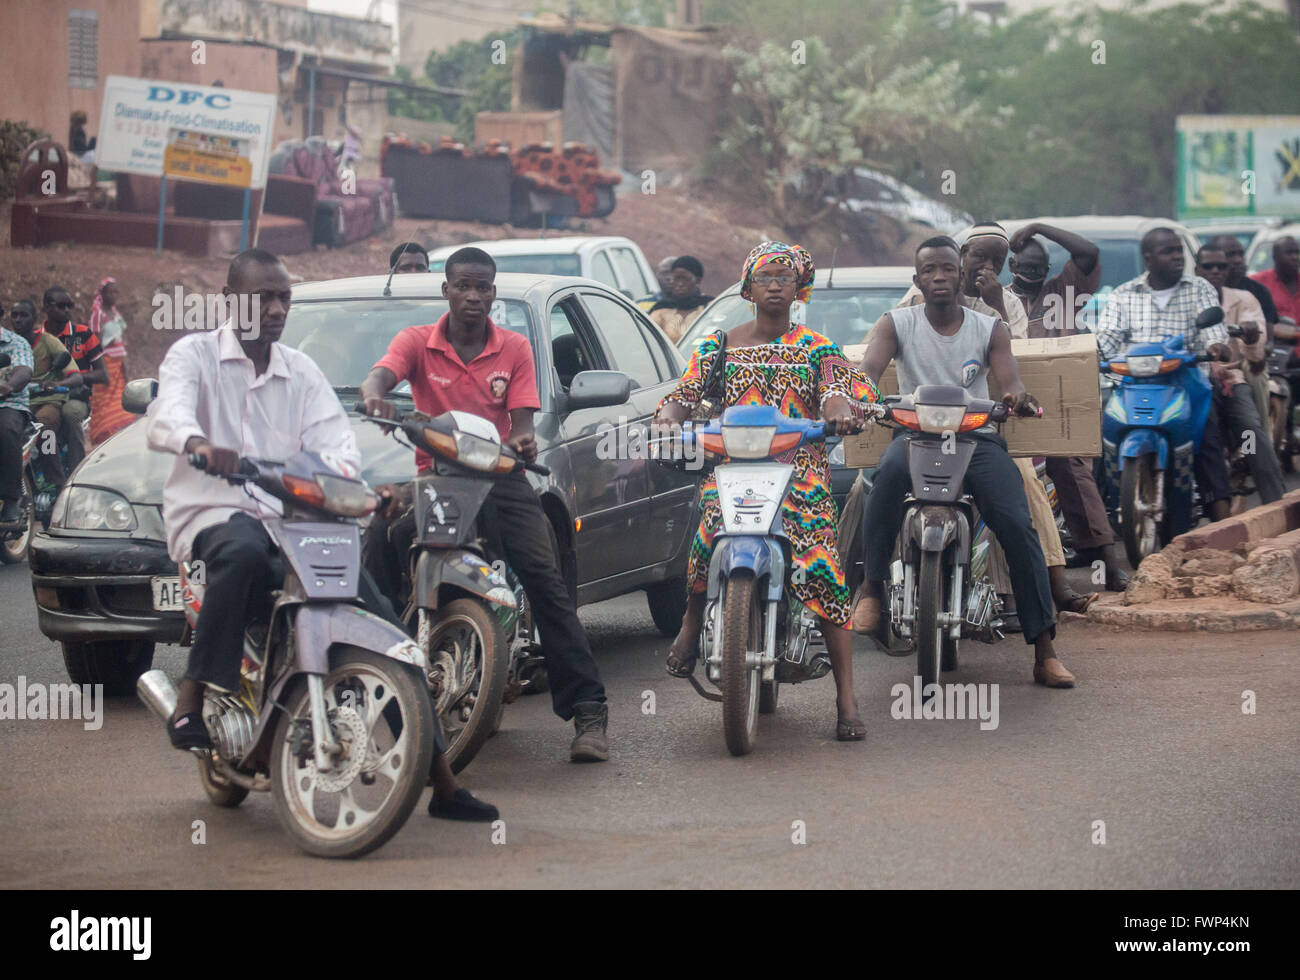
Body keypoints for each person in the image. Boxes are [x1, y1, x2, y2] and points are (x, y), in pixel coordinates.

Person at [145, 248, 495, 822]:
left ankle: (444, 782)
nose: (279, 308)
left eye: (284, 296)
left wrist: (360, 489)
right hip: (215, 510)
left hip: (297, 521)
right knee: (240, 551)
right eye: (265, 297)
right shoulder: (195, 355)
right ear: (233, 301)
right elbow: (170, 413)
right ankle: (193, 695)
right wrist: (198, 444)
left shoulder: (301, 372)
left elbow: (336, 448)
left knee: (386, 626)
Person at [359, 246, 611, 763]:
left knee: (546, 581)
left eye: (482, 287)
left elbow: (521, 424)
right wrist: (375, 395)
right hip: (440, 479)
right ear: (446, 289)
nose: (473, 296)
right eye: (463, 286)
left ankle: (589, 713)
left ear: (492, 294)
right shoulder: (415, 342)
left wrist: (522, 443)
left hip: (501, 479)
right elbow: (379, 377)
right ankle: (373, 677)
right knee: (383, 544)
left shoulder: (514, 347)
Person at [654, 241, 877, 740]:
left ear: (801, 288)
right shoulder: (719, 345)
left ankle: (846, 698)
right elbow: (682, 395)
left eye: (785, 276)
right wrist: (670, 419)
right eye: (765, 276)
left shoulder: (818, 346)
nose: (775, 283)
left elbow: (844, 388)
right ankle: (690, 625)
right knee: (707, 527)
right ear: (746, 287)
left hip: (801, 470)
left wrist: (840, 408)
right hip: (733, 465)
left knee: (822, 562)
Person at [853, 236, 1076, 688]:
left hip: (976, 437)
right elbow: (869, 371)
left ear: (960, 276)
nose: (939, 277)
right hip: (914, 433)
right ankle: (872, 588)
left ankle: (1044, 649)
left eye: (947, 270)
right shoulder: (896, 322)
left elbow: (1008, 376)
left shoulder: (988, 325)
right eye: (930, 270)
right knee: (883, 482)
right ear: (917, 280)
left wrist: (1014, 397)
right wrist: (860, 398)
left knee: (1017, 522)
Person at [895, 224, 1095, 615]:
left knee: (1025, 485)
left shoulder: (1004, 305)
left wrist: (995, 304)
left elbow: (1017, 365)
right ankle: (865, 588)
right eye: (978, 257)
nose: (986, 266)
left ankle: (1052, 584)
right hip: (923, 425)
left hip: (982, 425)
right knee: (869, 487)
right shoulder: (916, 301)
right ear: (961, 257)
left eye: (997, 262)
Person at [1009, 222, 1128, 591]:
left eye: (1039, 269)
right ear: (1011, 264)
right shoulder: (996, 298)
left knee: (1073, 467)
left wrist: (1040, 228)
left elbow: (1088, 253)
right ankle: (1025, 575)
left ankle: (1107, 563)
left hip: (1058, 402)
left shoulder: (1062, 293)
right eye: (1025, 267)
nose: (1032, 275)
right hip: (1011, 403)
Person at [1096, 227, 1234, 522]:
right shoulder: (1124, 295)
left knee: (1207, 442)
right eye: (1167, 251)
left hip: (1185, 384)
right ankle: (1097, 520)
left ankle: (1222, 522)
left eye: (1177, 250)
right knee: (1102, 437)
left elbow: (1213, 331)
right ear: (1147, 258)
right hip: (1134, 385)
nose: (1176, 257)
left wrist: (1218, 346)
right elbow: (1105, 341)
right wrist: (1086, 353)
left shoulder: (1198, 288)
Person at [1194, 245, 1285, 504]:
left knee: (1250, 431)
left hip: (1229, 380)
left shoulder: (1243, 299)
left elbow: (1255, 356)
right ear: (1196, 269)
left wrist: (1251, 335)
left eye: (1221, 266)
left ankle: (1274, 501)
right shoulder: (1183, 298)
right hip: (1191, 380)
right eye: (1208, 266)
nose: (1215, 272)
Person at [10, 299, 82, 488]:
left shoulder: (47, 341)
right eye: (14, 315)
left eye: (23, 315)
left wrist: (56, 383)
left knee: (44, 426)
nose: (18, 320)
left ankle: (56, 483)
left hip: (48, 401)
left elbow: (76, 376)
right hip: (17, 402)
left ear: (34, 318)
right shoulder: (8, 345)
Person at [42, 287, 107, 473]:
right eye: (62, 306)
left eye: (70, 305)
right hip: (46, 398)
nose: (67, 310)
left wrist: (76, 379)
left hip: (76, 397)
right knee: (39, 422)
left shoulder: (84, 334)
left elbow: (102, 374)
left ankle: (76, 472)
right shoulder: (37, 338)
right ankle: (45, 472)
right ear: (46, 307)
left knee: (71, 414)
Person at [87, 277, 135, 446]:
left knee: (120, 401)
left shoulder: (115, 314)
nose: (114, 295)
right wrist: (98, 369)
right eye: (111, 292)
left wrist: (125, 369)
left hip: (118, 365)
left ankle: (119, 440)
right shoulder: (97, 315)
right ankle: (103, 438)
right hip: (105, 365)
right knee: (104, 401)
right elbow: (95, 345)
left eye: (117, 292)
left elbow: (120, 342)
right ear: (102, 294)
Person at [0, 314, 35, 526]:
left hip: (8, 405)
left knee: (5, 429)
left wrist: (9, 385)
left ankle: (11, 500)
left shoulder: (16, 343)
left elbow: (24, 371)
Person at [648, 255, 714, 343]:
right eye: (676, 279)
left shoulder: (710, 307)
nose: (680, 284)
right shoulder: (660, 310)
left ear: (698, 280)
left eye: (685, 279)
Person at [1251, 236, 1300, 346]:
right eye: (1289, 253)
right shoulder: (1257, 283)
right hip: (1273, 352)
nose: (1295, 257)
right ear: (1275, 257)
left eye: (1297, 252)